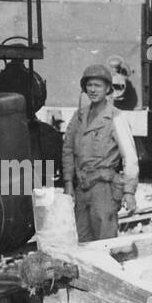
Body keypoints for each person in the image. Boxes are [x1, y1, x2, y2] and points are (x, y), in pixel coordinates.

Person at [62, 64, 139, 241]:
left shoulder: (116, 117)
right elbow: (67, 150)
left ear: (107, 89)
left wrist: (129, 191)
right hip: (82, 188)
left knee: (105, 243)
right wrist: (68, 183)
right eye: (89, 85)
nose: (93, 90)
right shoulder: (79, 116)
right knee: (82, 242)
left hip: (103, 189)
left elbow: (130, 157)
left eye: (98, 86)